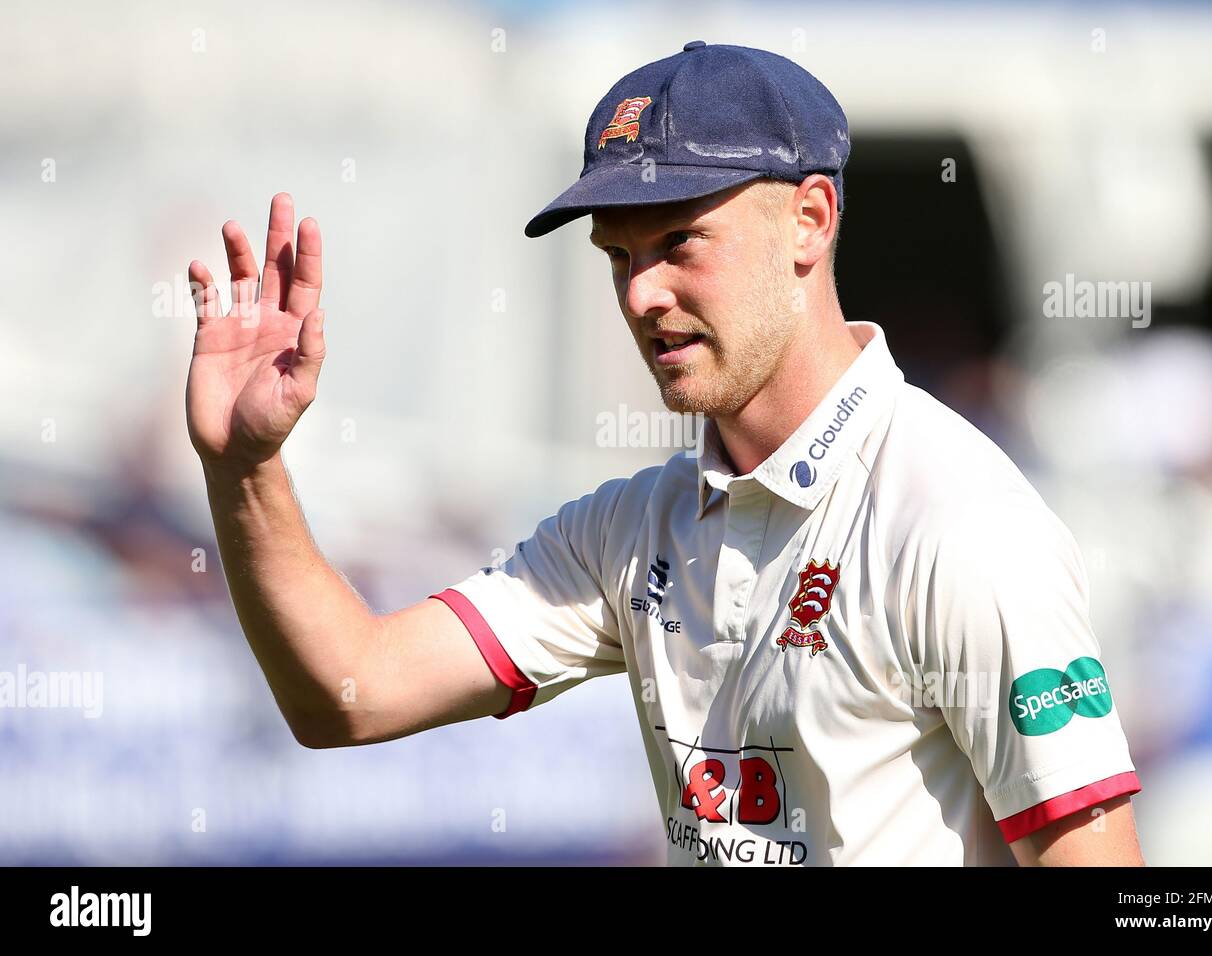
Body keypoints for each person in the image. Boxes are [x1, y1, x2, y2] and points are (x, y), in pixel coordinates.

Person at [185, 42, 1143, 866]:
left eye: (681, 240)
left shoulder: (957, 518)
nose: (642, 294)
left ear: (810, 220)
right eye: (619, 255)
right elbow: (350, 696)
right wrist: (245, 467)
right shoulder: (633, 525)